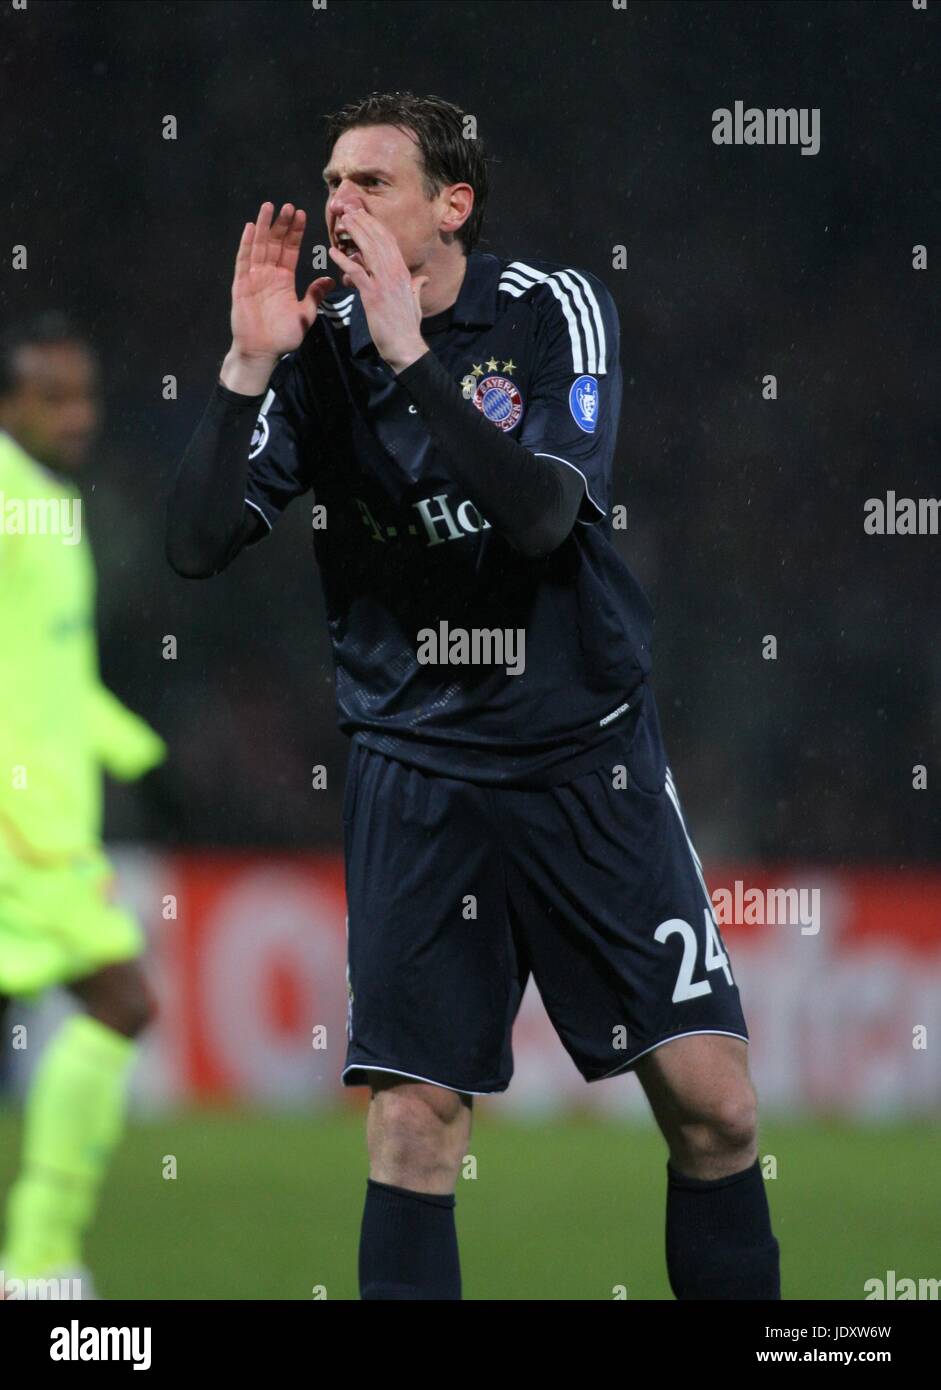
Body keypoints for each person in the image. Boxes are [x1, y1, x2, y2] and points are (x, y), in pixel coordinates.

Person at [167, 91, 779, 1300]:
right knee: (412, 1128)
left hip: (580, 760)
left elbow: (546, 515)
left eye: (372, 183)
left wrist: (410, 358)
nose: (337, 203)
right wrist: (246, 367)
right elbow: (196, 544)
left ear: (451, 207)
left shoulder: (551, 313)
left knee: (713, 1112)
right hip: (419, 773)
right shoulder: (315, 353)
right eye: (331, 180)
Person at [0, 313, 166, 1299]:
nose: (76, 416)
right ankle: (36, 1258)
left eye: (86, 395)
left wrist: (135, 750)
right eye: (51, 397)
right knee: (122, 999)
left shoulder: (46, 504)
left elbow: (48, 673)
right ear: (8, 402)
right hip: (22, 831)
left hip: (48, 820)